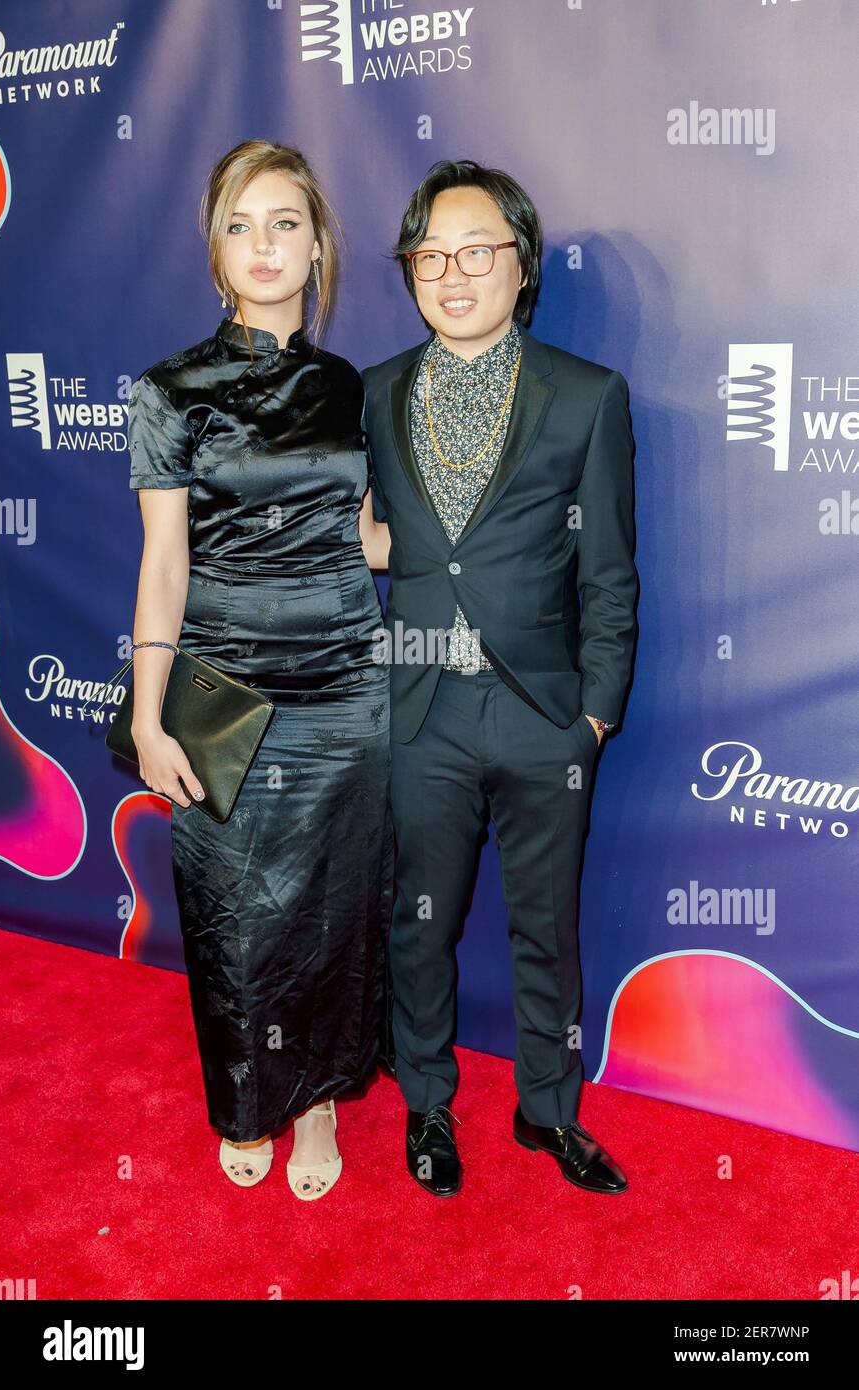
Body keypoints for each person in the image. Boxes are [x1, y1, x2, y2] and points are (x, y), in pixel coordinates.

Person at [361, 159, 639, 1197]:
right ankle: (426, 1105)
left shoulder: (585, 397)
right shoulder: (375, 392)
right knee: (418, 923)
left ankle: (546, 1110)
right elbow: (372, 540)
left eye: (474, 250)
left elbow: (609, 573)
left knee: (545, 926)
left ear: (521, 264)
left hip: (542, 716)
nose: (450, 272)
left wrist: (593, 717)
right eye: (428, 255)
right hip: (420, 708)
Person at [125, 140, 393, 1201]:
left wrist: (481, 529)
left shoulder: (348, 389)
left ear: (318, 242)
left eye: (284, 221)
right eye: (239, 225)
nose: (263, 244)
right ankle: (249, 1103)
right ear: (215, 252)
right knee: (231, 911)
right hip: (222, 689)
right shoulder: (171, 389)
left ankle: (317, 1098)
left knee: (330, 907)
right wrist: (151, 718)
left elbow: (367, 540)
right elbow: (162, 564)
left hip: (342, 683)